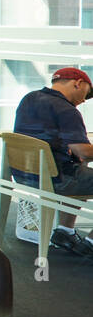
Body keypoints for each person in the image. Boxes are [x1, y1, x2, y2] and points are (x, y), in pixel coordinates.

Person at [13, 66, 93, 257]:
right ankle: (90, 243)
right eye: (86, 94)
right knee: (80, 164)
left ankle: (65, 232)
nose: (83, 100)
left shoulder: (29, 99)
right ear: (78, 83)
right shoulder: (67, 110)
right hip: (56, 179)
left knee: (80, 164)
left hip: (25, 175)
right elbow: (82, 150)